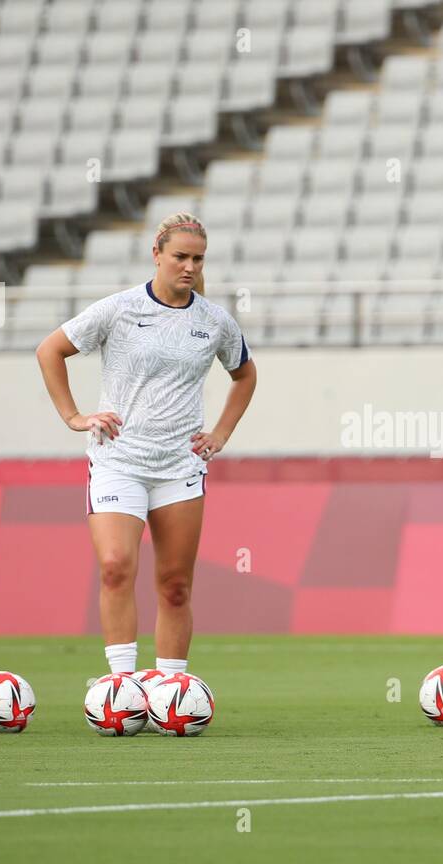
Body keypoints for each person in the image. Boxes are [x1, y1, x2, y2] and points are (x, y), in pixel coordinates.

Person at [35, 213, 256, 678]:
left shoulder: (215, 322)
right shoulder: (118, 310)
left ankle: (171, 689)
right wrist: (74, 417)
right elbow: (49, 350)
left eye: (197, 258)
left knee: (175, 585)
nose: (189, 266)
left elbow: (245, 374)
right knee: (116, 567)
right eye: (179, 256)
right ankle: (123, 685)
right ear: (156, 254)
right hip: (119, 460)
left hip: (179, 466)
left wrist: (220, 434)